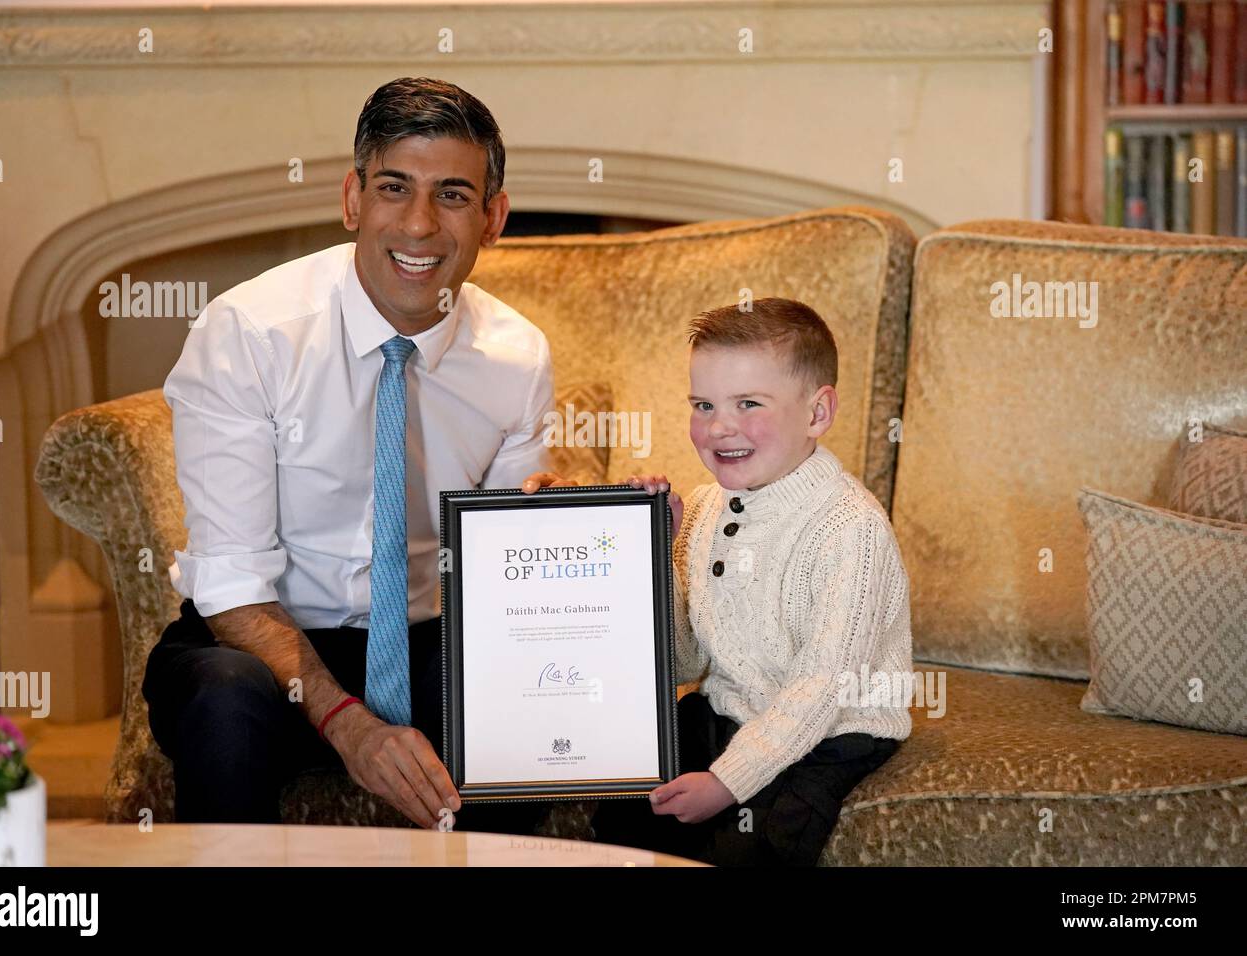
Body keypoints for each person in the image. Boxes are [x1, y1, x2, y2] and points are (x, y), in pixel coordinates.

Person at [143, 77, 574, 831]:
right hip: (261, 641)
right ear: (352, 200)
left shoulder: (516, 357)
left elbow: (502, 588)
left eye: (452, 195)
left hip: (427, 638)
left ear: (493, 217)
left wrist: (551, 533)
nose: (418, 225)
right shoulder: (248, 333)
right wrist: (348, 722)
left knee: (517, 694)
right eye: (394, 188)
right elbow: (232, 583)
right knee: (221, 697)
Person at [594, 297, 913, 866]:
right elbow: (687, 666)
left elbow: (822, 690)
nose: (719, 427)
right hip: (729, 711)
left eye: (748, 403)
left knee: (759, 839)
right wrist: (658, 554)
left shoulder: (850, 528)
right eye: (703, 404)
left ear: (817, 414)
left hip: (834, 729)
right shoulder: (706, 507)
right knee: (624, 803)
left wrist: (727, 782)